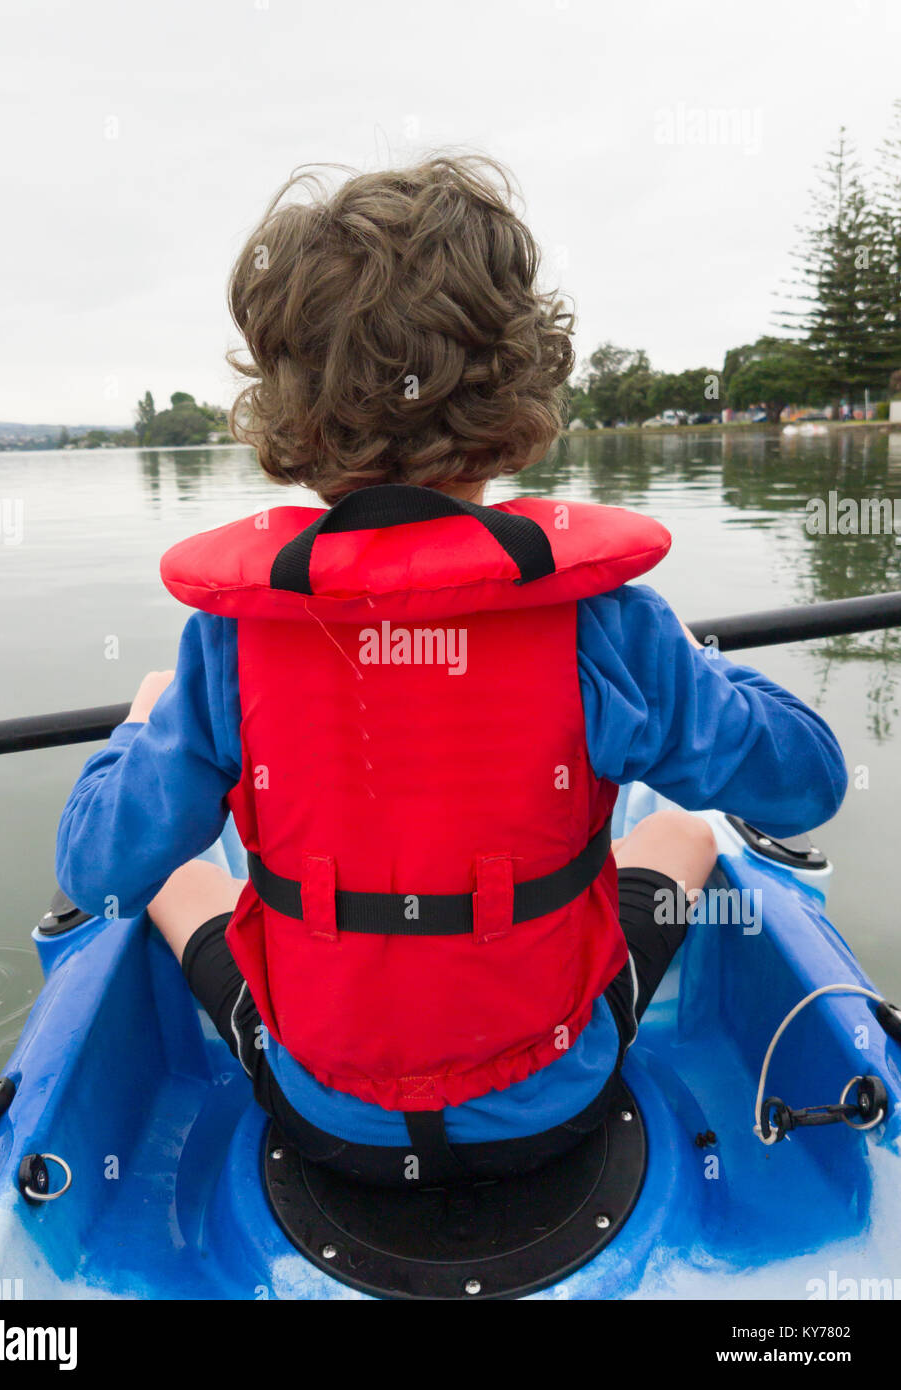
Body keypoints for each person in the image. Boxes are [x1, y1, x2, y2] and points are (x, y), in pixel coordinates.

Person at [56, 156, 847, 1188]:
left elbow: (93, 868)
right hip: (556, 1102)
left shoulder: (232, 641)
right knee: (684, 829)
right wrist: (684, 663)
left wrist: (143, 725)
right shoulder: (602, 624)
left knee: (172, 873)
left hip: (327, 1116)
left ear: (288, 408)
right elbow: (809, 781)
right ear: (515, 382)